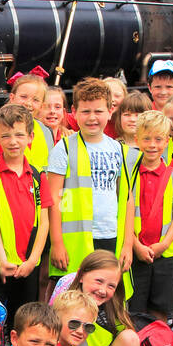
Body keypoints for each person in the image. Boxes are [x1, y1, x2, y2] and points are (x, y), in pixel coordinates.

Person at [46, 77, 124, 274]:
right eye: (86, 111)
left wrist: (127, 243)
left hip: (109, 234)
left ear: (110, 111)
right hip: (75, 239)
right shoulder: (63, 148)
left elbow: (124, 197)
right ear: (74, 112)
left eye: (98, 111)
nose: (92, 117)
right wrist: (57, 243)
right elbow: (53, 199)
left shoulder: (117, 148)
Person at [0, 103, 50, 328]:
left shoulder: (38, 176)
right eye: (6, 135)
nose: (13, 141)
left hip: (28, 266)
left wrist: (33, 261)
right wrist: (1, 260)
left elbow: (44, 222)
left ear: (30, 137)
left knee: (24, 323)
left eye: (19, 135)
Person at [118, 109, 173, 323]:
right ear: (136, 139)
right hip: (135, 253)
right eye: (146, 139)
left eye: (158, 139)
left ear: (167, 141)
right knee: (134, 309)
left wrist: (163, 245)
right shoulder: (128, 175)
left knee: (161, 310)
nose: (152, 145)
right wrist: (136, 245)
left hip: (164, 255)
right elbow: (123, 213)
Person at [0, 72, 54, 171]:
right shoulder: (0, 133)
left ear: (42, 106)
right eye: (23, 97)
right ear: (12, 98)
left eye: (35, 100)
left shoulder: (47, 131)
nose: (28, 103)